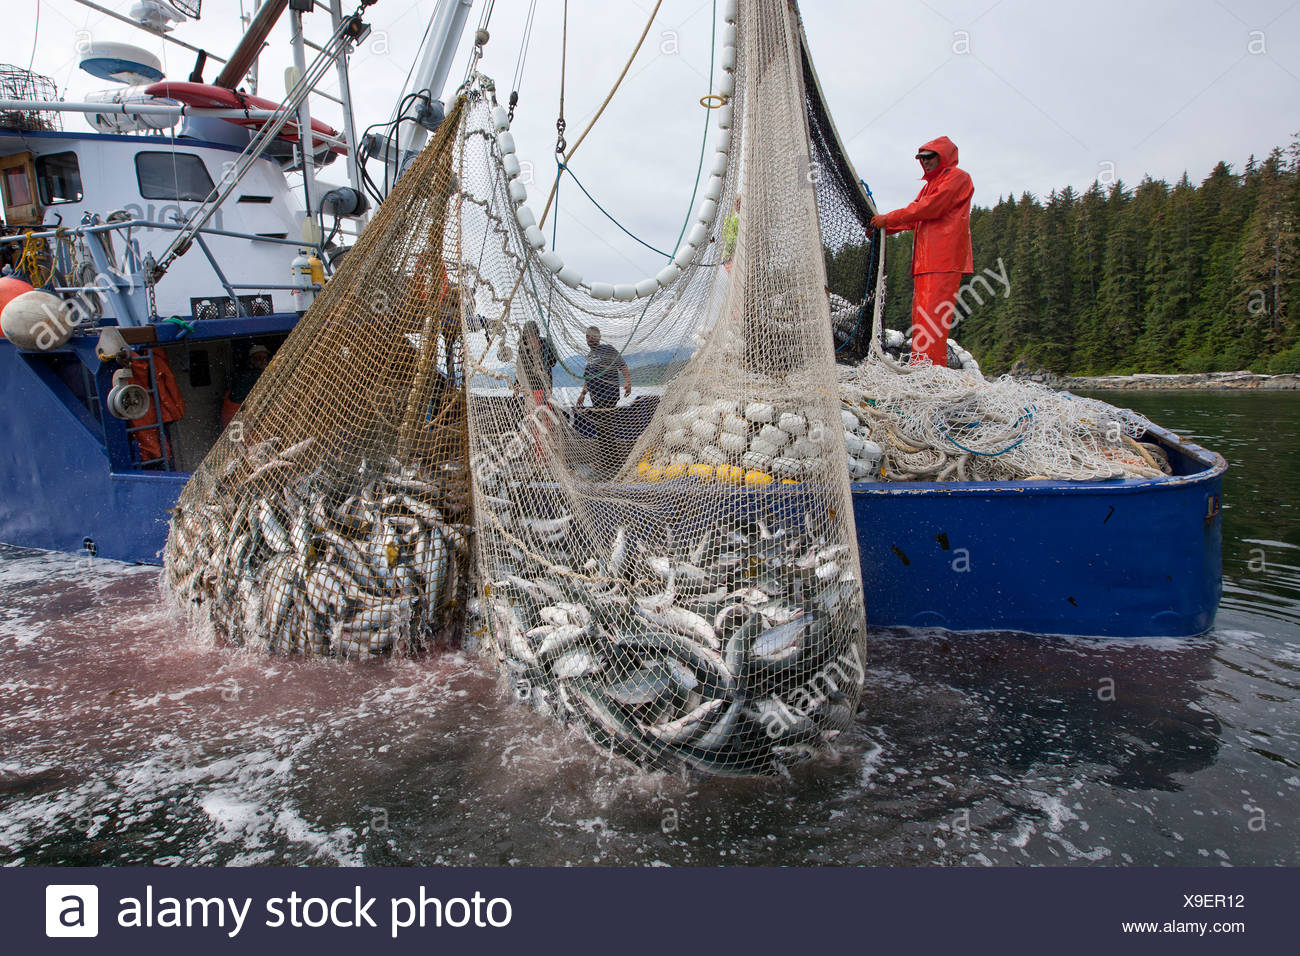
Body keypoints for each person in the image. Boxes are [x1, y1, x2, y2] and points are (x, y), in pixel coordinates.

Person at [870, 136, 974, 367]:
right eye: (921, 158)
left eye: (929, 157)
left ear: (943, 156)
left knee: (933, 319)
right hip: (925, 262)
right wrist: (884, 228)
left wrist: (888, 218)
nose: (924, 162)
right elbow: (914, 218)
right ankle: (921, 366)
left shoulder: (958, 178)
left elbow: (930, 208)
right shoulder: (928, 186)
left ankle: (930, 371)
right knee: (922, 318)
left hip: (944, 260)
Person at [575, 326, 631, 409]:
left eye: (593, 335)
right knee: (600, 418)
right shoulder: (589, 356)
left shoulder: (608, 349)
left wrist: (628, 382)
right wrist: (583, 394)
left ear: (599, 337)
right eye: (587, 336)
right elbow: (588, 378)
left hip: (609, 395)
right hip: (595, 398)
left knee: (606, 418)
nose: (590, 338)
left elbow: (622, 365)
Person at [221, 343, 270, 427]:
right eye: (258, 358)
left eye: (264, 358)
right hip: (238, 417)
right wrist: (271, 368)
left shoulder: (255, 373)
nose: (263, 360)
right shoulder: (246, 375)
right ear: (251, 360)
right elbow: (255, 379)